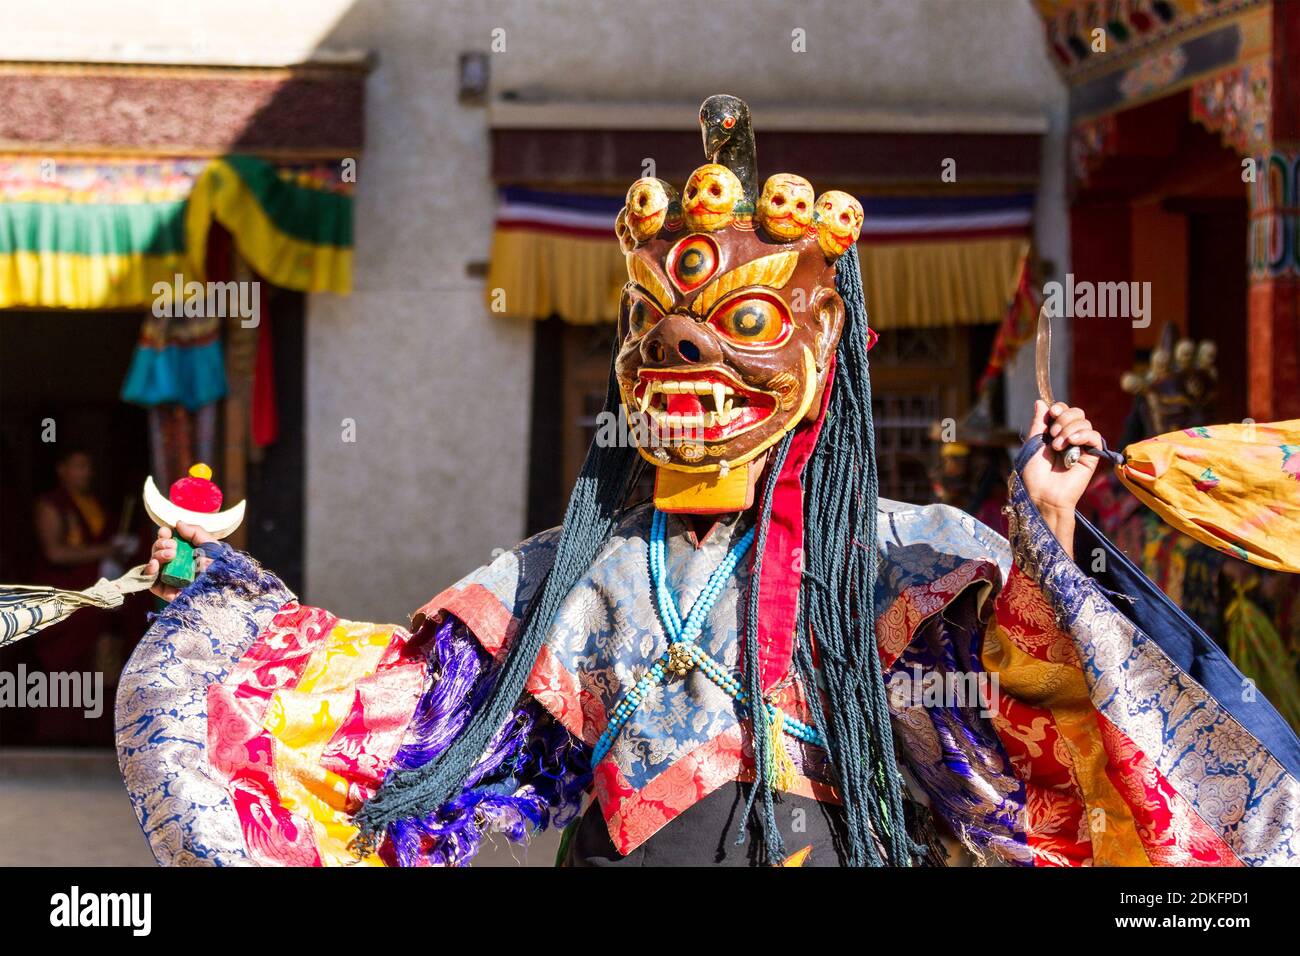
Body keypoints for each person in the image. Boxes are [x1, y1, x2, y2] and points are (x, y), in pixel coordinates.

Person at [121, 97, 1299, 867]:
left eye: (739, 323)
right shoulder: (570, 574)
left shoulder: (913, 559)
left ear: (826, 353)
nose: (684, 355)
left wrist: (1042, 520)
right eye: (657, 325)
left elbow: (1027, 718)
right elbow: (392, 725)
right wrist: (220, 603)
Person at [30, 449, 136, 744]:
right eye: (79, 466)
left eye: (88, 466)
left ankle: (94, 738)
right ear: (61, 469)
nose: (86, 473)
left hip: (93, 602)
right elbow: (54, 552)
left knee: (100, 666)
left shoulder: (94, 506)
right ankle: (57, 738)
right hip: (64, 599)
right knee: (62, 668)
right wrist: (108, 551)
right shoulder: (51, 505)